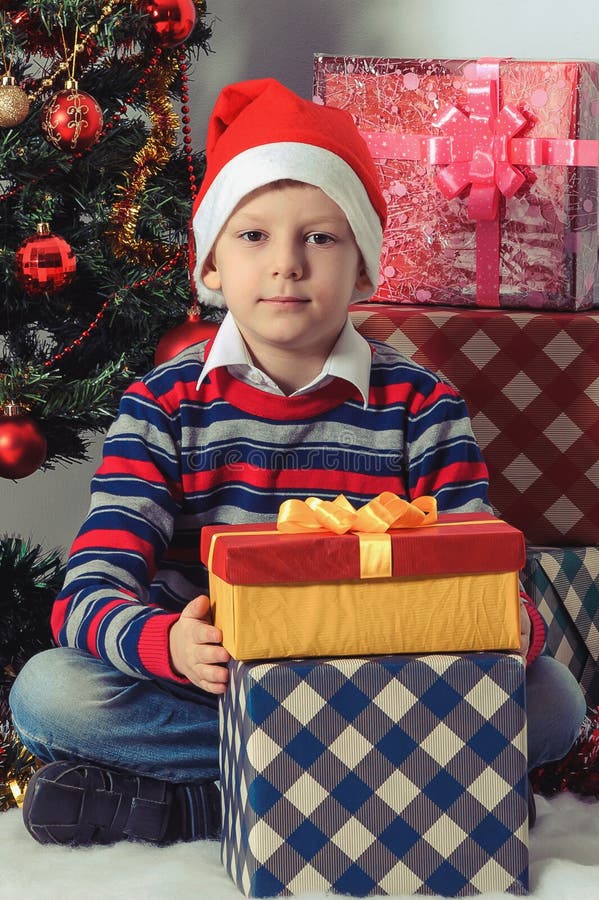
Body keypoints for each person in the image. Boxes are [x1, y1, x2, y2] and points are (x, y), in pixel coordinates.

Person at [9, 78, 586, 847]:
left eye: (320, 237)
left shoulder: (420, 405)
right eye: (253, 237)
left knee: (552, 701)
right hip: (221, 686)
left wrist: (507, 624)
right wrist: (169, 644)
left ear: (365, 269)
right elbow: (88, 591)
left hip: (382, 681)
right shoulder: (161, 407)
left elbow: (478, 562)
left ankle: (203, 807)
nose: (286, 264)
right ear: (210, 265)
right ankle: (348, 786)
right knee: (49, 692)